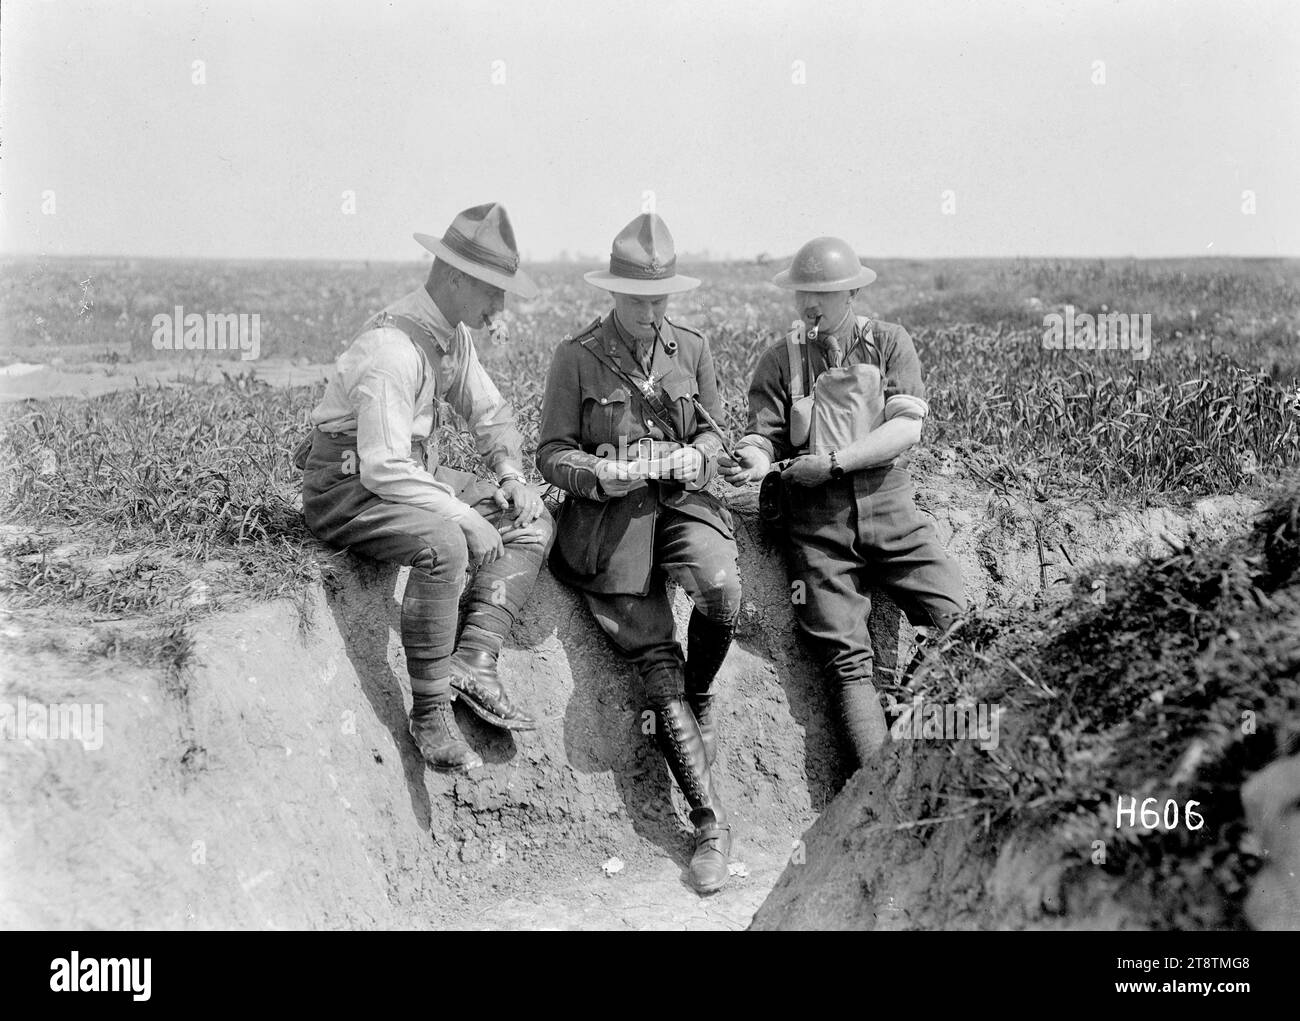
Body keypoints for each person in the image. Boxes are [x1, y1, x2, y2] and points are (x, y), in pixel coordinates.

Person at [300, 202, 552, 775]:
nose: (500, 307)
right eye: (494, 290)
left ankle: (473, 661)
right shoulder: (392, 349)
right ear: (456, 277)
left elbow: (488, 413)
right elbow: (382, 468)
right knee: (446, 544)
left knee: (532, 521)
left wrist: (511, 477)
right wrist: (466, 517)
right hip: (349, 489)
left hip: (407, 474)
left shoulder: (449, 337)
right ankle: (431, 712)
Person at [537, 213, 739, 894]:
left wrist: (693, 456)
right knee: (656, 660)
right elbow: (551, 453)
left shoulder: (692, 349)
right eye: (639, 300)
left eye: (661, 300)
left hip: (679, 503)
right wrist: (599, 474)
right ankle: (710, 826)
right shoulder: (579, 356)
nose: (652, 313)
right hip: (613, 521)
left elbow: (718, 439)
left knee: (720, 592)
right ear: (613, 292)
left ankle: (702, 693)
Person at [720, 236, 966, 769]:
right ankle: (872, 794)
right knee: (846, 660)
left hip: (888, 504)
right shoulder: (779, 360)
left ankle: (912, 720)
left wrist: (834, 462)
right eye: (804, 293)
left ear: (852, 292)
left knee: (955, 617)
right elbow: (766, 439)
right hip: (816, 523)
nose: (812, 305)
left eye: (825, 293)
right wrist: (753, 459)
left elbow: (906, 428)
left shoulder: (888, 342)